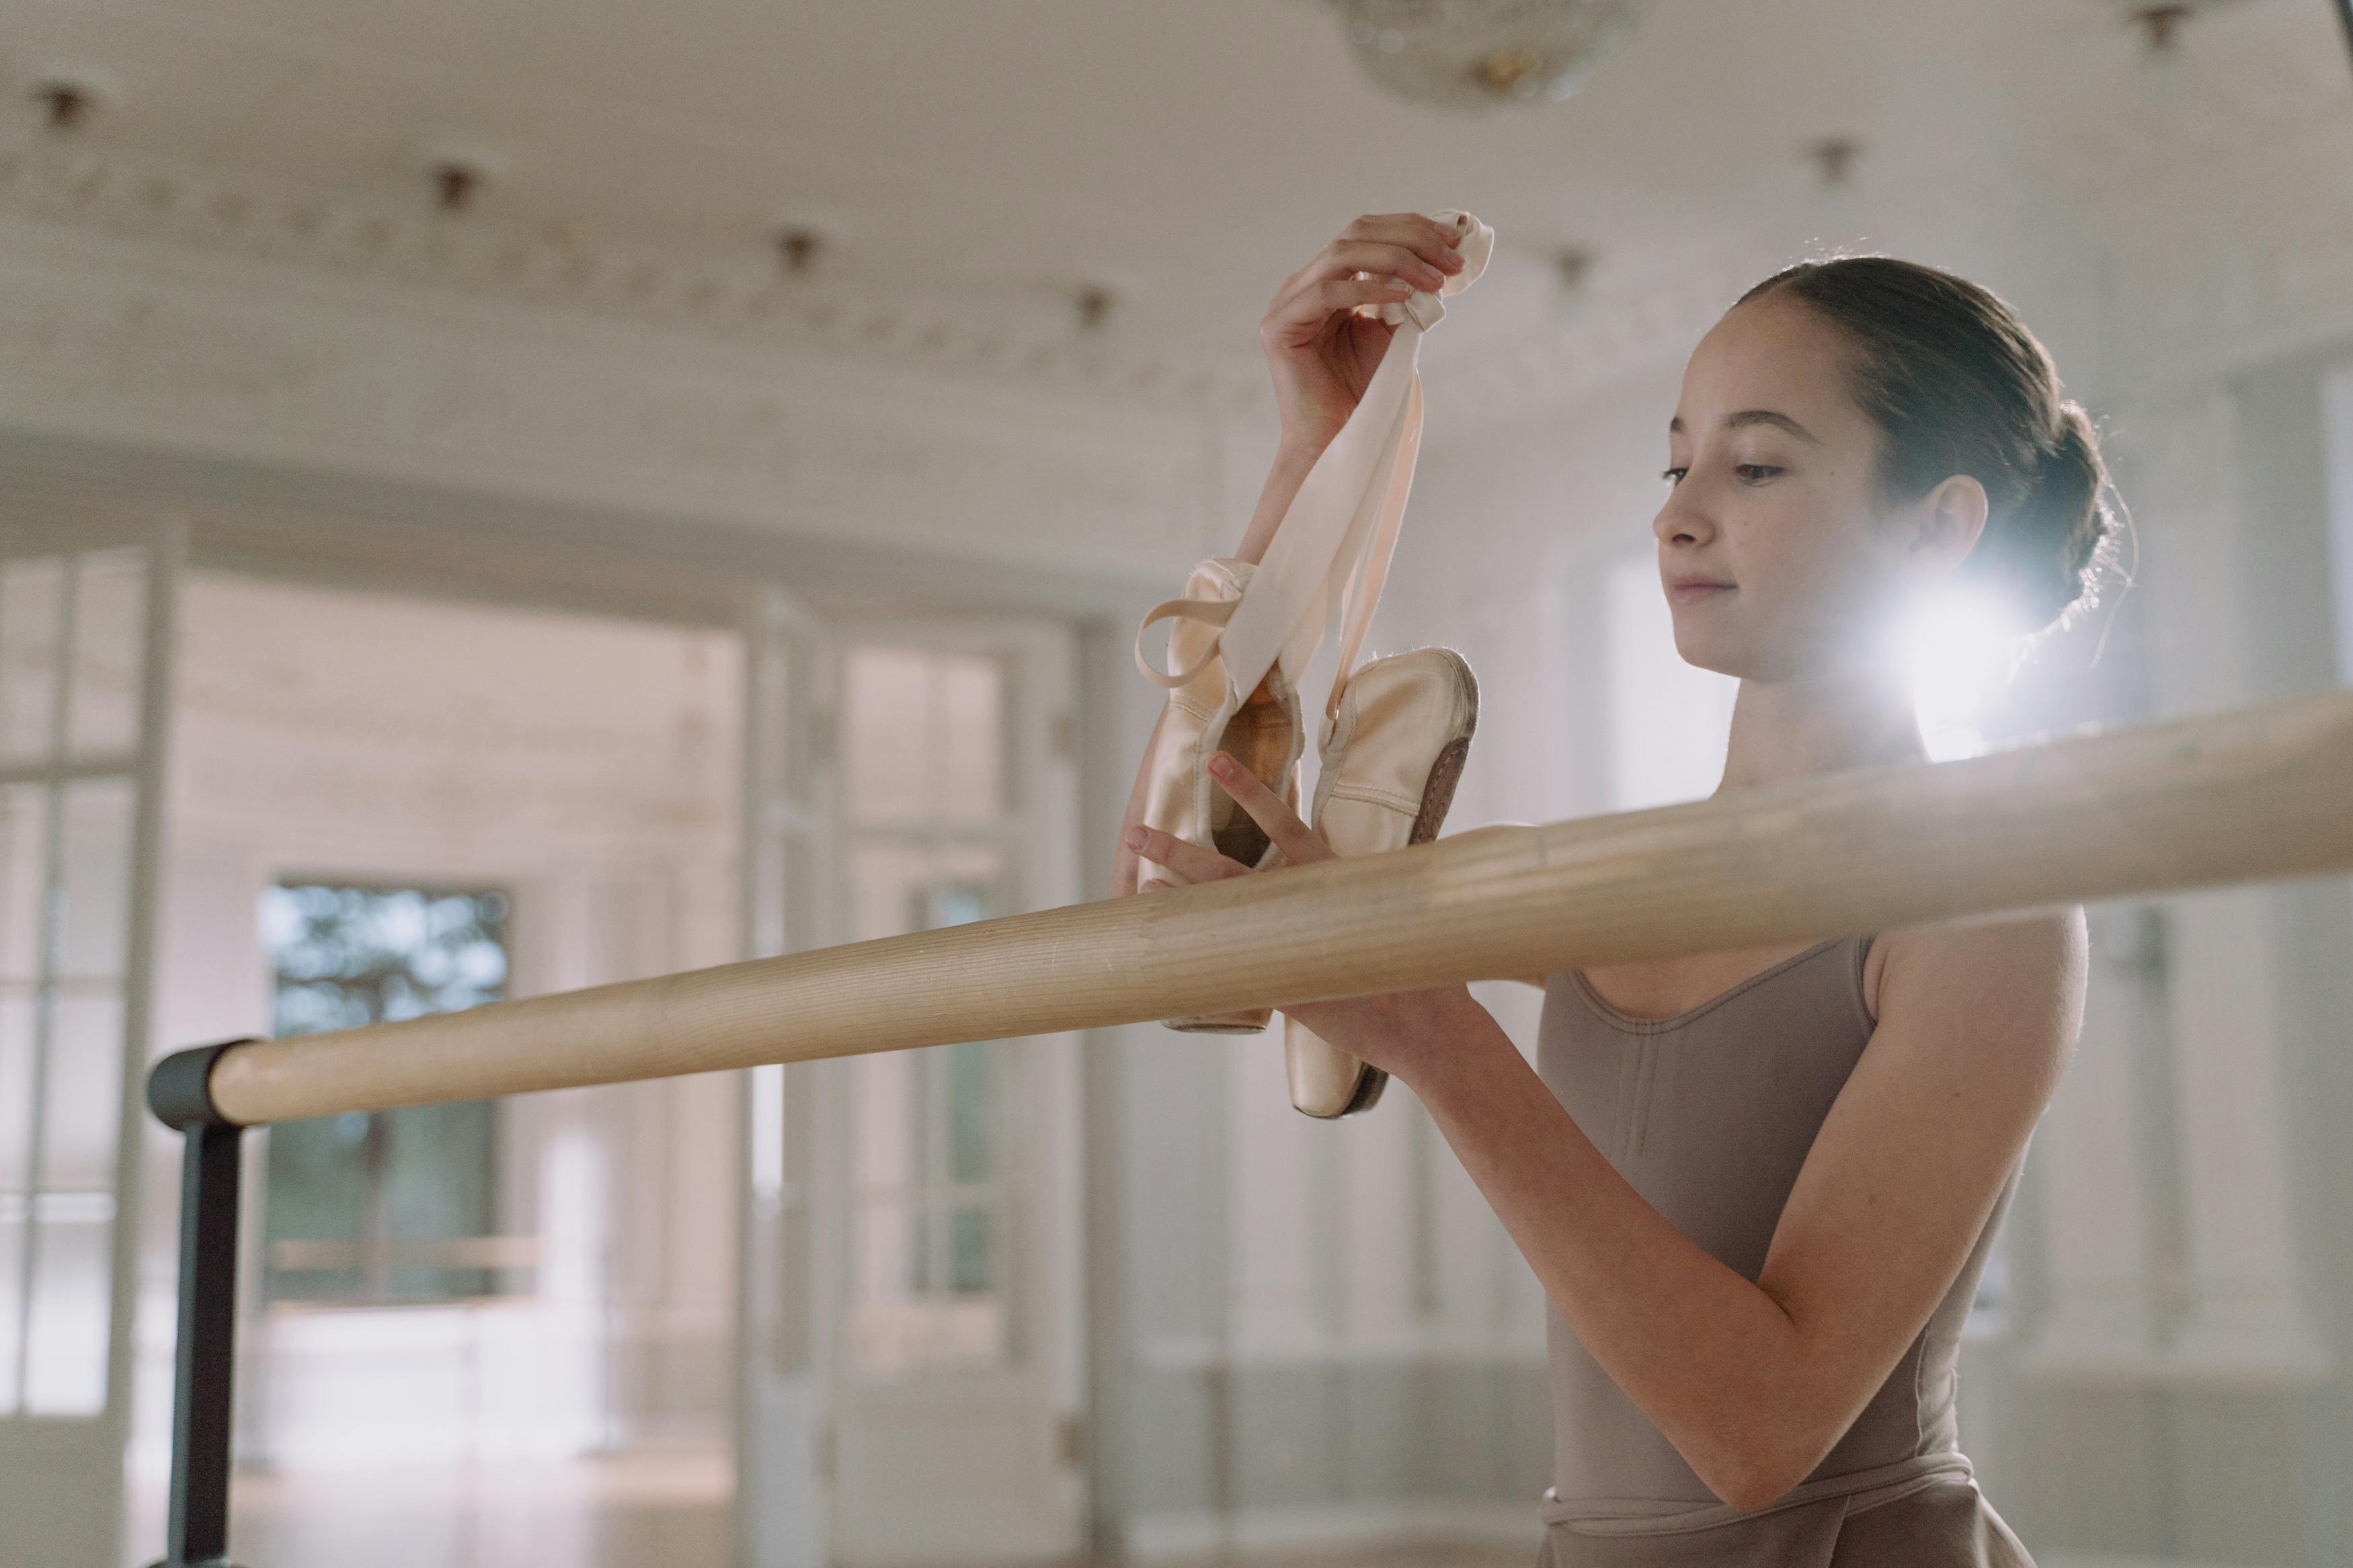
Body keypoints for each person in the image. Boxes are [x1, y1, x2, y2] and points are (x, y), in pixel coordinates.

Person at [1114, 212, 2118, 1564]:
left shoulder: (1987, 909)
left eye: (1754, 464)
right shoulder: (1589, 882)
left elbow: (1758, 1432)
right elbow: (1169, 909)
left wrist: (1435, 1038)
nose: (1677, 512)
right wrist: (1321, 452)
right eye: (1673, 460)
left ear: (1935, 527)